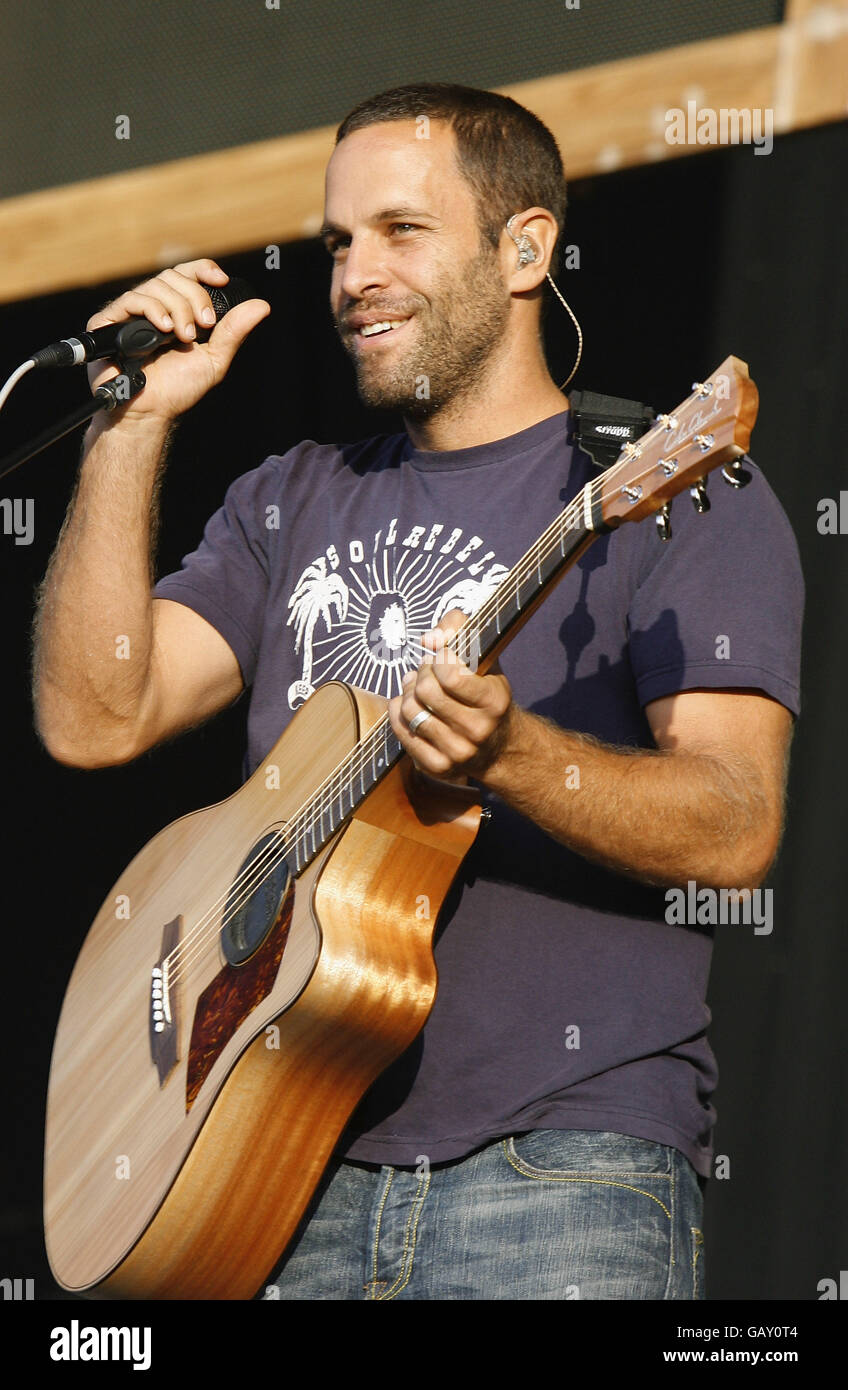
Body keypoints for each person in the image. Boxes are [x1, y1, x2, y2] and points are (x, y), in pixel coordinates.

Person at [32, 83, 803, 1301]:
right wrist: (125, 432)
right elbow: (92, 716)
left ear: (525, 248)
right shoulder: (290, 493)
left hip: (563, 1173)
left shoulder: (670, 487)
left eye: (400, 231)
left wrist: (514, 759)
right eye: (339, 243)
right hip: (275, 1170)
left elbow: (736, 824)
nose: (353, 277)